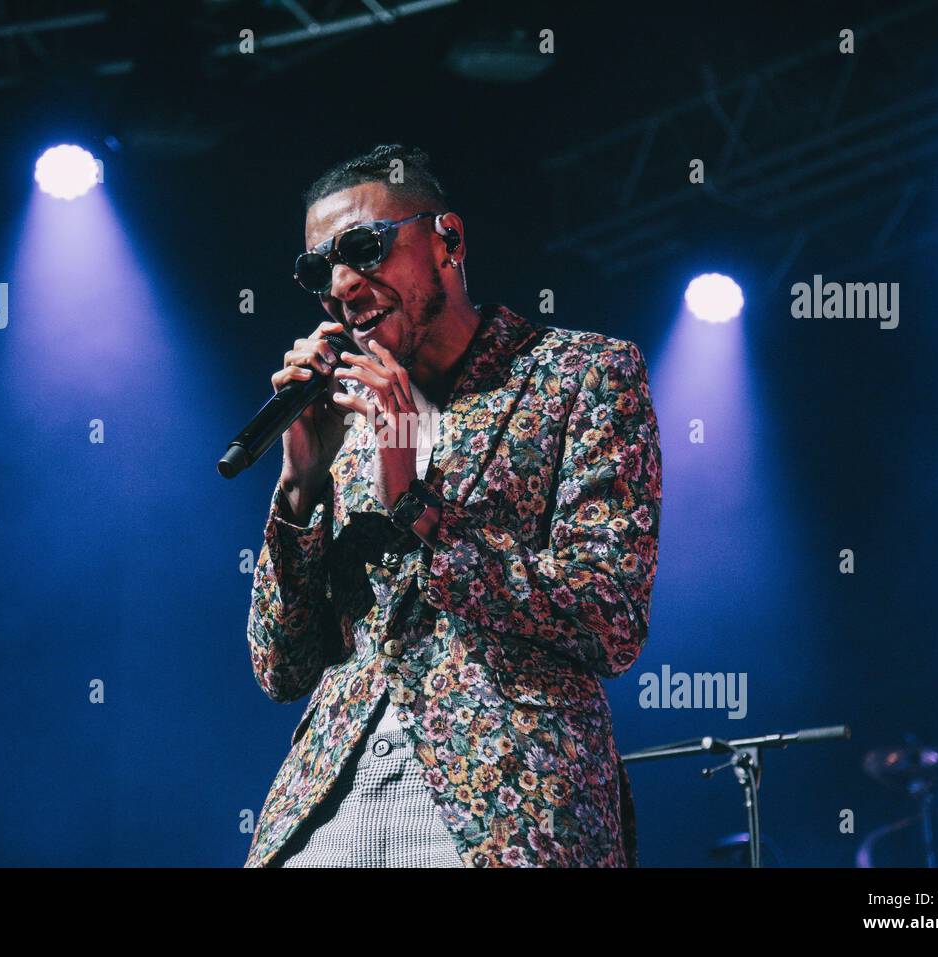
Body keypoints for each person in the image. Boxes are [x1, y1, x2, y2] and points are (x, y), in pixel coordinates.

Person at [244, 144, 662, 867]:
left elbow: (611, 618)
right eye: (319, 268)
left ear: (449, 241)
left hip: (504, 803)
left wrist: (417, 506)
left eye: (365, 247)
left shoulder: (579, 375)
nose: (343, 282)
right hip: (328, 805)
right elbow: (280, 666)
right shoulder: (346, 417)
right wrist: (301, 485)